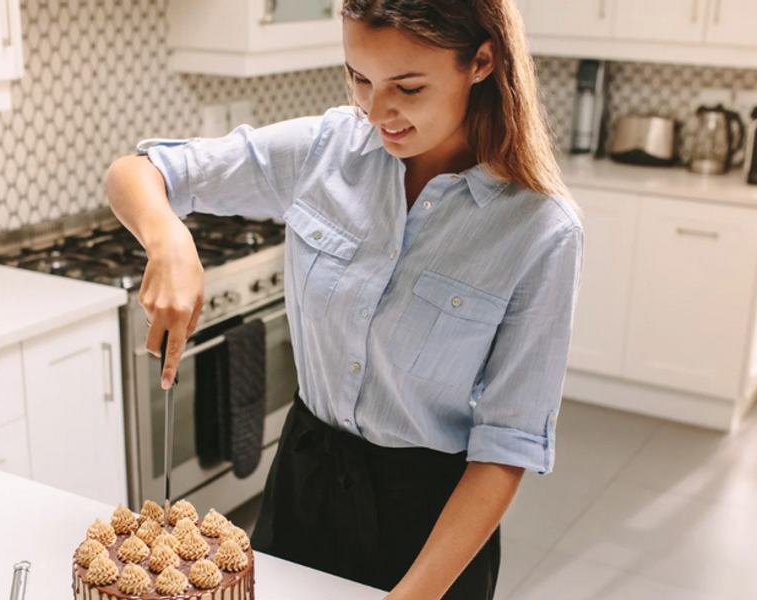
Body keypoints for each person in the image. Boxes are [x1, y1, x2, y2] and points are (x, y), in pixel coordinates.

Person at [104, 1, 583, 597]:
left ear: (481, 61)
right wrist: (168, 239)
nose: (376, 111)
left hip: (430, 527)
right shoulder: (326, 149)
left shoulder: (541, 231)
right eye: (359, 77)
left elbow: (507, 446)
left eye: (407, 86)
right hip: (303, 486)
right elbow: (137, 171)